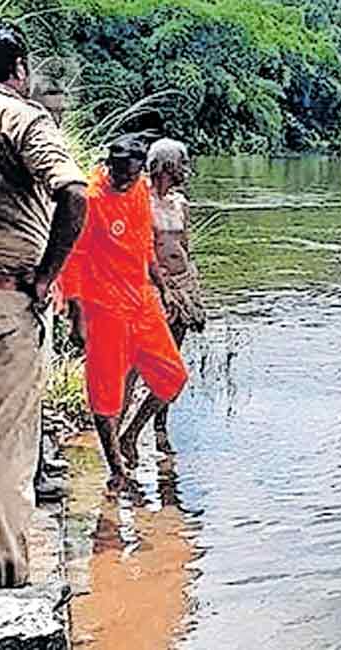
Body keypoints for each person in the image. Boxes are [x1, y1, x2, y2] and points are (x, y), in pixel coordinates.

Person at [0, 24, 88, 589]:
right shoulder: (21, 118)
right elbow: (73, 194)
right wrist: (46, 278)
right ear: (17, 68)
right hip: (3, 302)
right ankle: (2, 578)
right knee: (3, 443)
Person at [61, 134, 189, 493]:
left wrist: (161, 285)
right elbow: (74, 259)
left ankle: (132, 433)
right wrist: (76, 315)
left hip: (141, 302)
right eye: (121, 174)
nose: (127, 182)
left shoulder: (137, 190)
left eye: (134, 175)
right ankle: (116, 467)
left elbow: (143, 241)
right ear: (111, 165)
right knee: (106, 390)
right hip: (104, 309)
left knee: (173, 376)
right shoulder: (91, 198)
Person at [118, 139, 206, 464]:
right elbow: (136, 252)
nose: (185, 172)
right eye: (181, 165)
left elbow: (184, 249)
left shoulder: (180, 203)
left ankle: (159, 428)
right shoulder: (139, 200)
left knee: (171, 363)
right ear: (168, 166)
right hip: (152, 290)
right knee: (137, 367)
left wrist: (190, 292)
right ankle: (120, 437)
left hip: (181, 288)